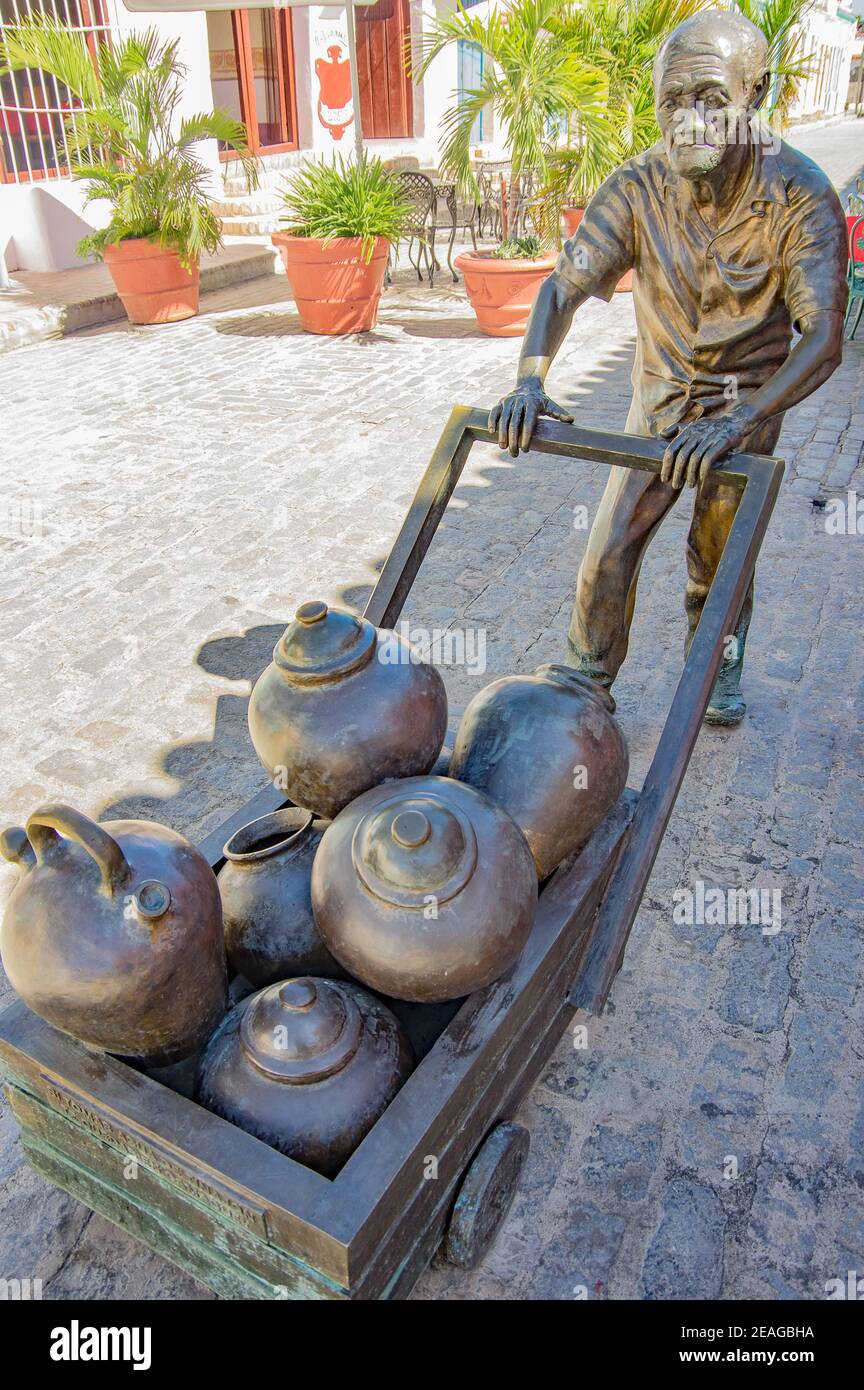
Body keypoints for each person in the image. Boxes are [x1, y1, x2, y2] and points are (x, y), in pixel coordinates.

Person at [490, 9, 847, 724]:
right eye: (672, 101)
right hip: (657, 400)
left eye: (710, 99)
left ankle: (715, 672)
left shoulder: (802, 197)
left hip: (747, 408)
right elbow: (564, 285)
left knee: (718, 557)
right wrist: (530, 376)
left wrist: (742, 420)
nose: (688, 120)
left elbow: (825, 334)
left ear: (757, 93)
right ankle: (587, 676)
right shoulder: (636, 186)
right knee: (610, 546)